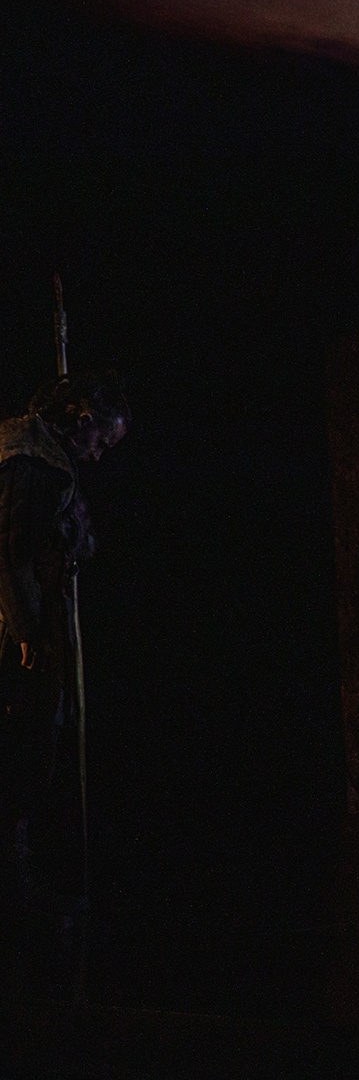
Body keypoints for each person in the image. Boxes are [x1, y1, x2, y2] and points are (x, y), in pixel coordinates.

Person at [0, 371, 128, 918]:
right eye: (101, 442)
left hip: (26, 629)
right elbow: (7, 555)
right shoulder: (30, 462)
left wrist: (77, 532)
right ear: (82, 422)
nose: (98, 457)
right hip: (13, 635)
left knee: (28, 754)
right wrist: (28, 633)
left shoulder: (47, 460)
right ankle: (11, 891)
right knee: (20, 752)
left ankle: (14, 883)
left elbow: (68, 538)